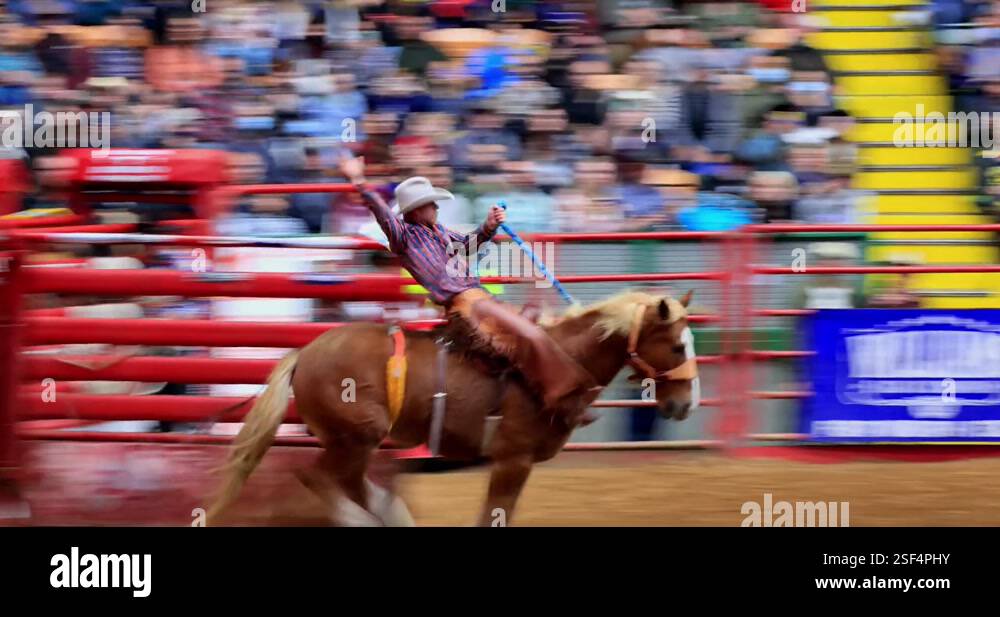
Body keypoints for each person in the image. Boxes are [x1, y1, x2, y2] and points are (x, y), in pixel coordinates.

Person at [338, 153, 599, 427]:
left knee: (532, 329)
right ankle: (567, 400)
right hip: (465, 304)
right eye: (432, 204)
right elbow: (382, 213)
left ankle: (548, 396)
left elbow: (469, 244)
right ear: (417, 209)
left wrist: (489, 225)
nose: (437, 208)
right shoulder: (403, 236)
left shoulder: (439, 231)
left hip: (476, 297)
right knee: (530, 333)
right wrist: (359, 180)